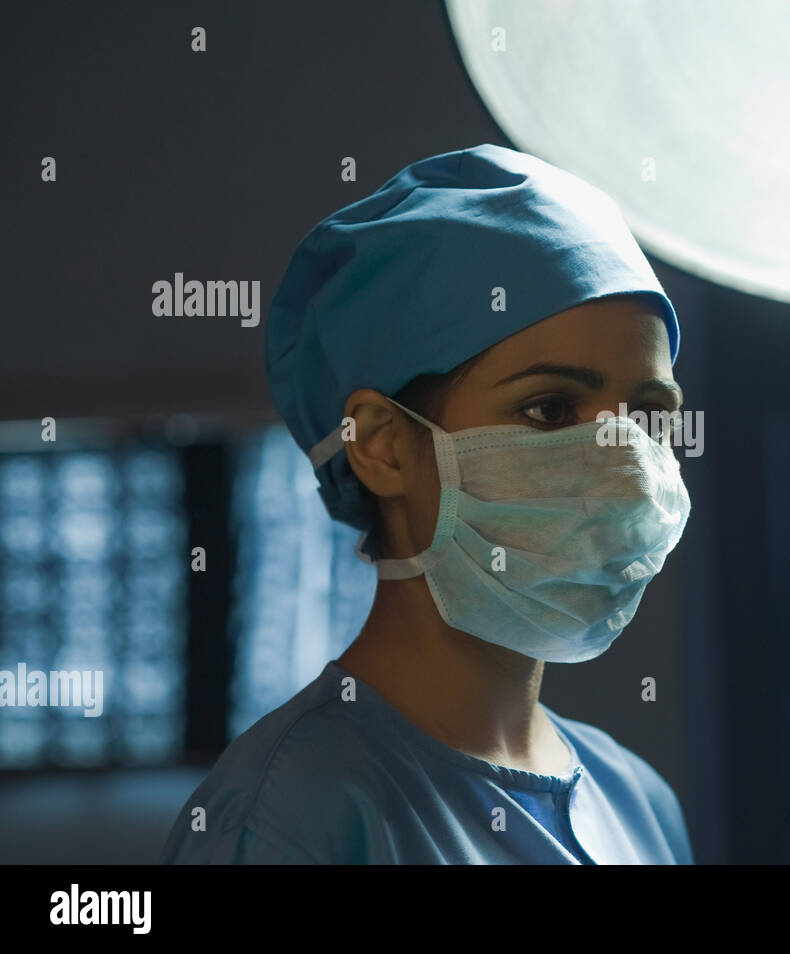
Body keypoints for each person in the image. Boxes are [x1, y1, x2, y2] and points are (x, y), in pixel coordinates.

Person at [162, 145, 694, 864]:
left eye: (646, 417)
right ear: (381, 444)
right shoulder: (290, 818)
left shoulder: (638, 803)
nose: (620, 466)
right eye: (549, 409)